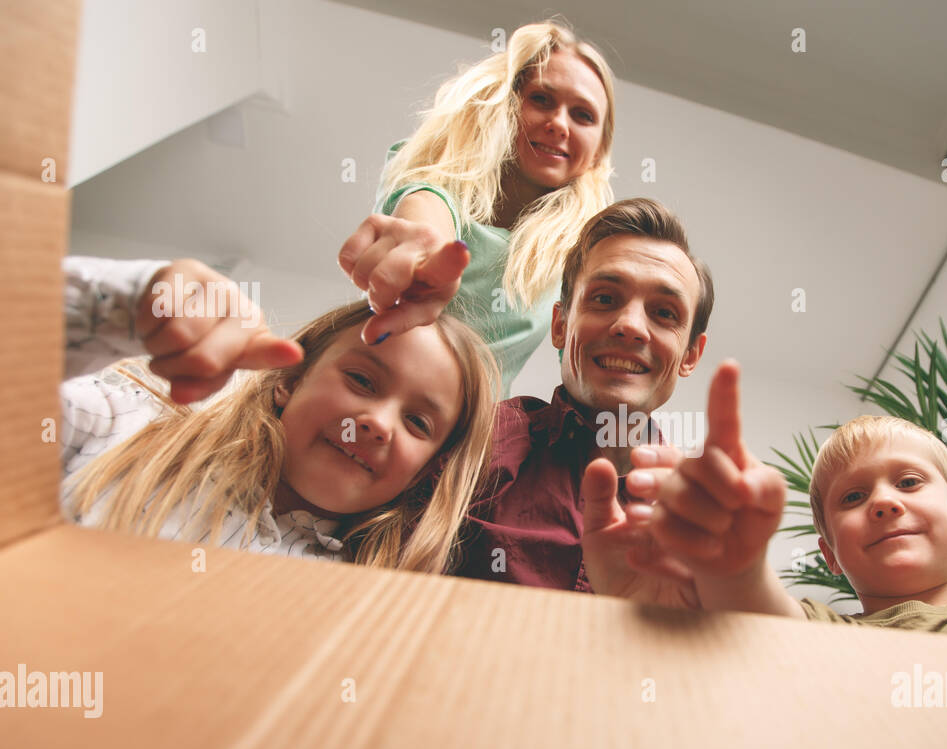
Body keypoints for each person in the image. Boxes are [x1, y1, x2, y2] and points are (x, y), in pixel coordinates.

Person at [60, 256, 498, 571]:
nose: (378, 424)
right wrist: (125, 303)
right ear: (289, 380)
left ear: (427, 470)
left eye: (418, 423)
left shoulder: (364, 603)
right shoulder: (125, 425)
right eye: (362, 381)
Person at [585, 361, 947, 641]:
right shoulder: (818, 628)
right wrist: (732, 567)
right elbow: (756, 604)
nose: (883, 503)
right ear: (828, 554)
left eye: (909, 482)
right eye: (853, 496)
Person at [337, 19, 617, 395]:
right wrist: (426, 253)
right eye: (541, 99)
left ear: (599, 149)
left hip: (469, 439)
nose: (558, 124)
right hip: (365, 388)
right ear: (507, 103)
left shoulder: (579, 257)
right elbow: (427, 206)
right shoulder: (429, 171)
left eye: (582, 115)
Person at [454, 197, 714, 596]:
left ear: (690, 355)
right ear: (560, 325)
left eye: (664, 313)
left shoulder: (701, 518)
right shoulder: (472, 440)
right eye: (605, 298)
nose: (630, 327)